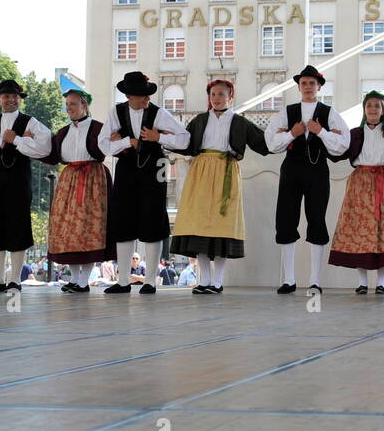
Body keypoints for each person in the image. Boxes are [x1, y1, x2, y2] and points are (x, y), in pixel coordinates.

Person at [170, 79, 269, 295]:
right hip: (201, 172)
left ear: (230, 97)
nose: (216, 98)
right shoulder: (200, 120)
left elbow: (263, 142)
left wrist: (288, 135)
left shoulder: (239, 122)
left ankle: (218, 281)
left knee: (221, 225)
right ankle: (204, 280)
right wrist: (161, 138)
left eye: (221, 94)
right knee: (199, 225)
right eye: (213, 94)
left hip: (226, 171)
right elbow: (185, 144)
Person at [266, 65, 350, 295]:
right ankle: (290, 279)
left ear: (319, 86)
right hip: (291, 169)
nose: (308, 87)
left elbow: (344, 142)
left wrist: (320, 131)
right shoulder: (288, 111)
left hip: (317, 170)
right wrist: (292, 133)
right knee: (286, 219)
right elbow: (271, 141)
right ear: (299, 86)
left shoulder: (329, 112)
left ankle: (315, 280)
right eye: (304, 83)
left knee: (316, 219)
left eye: (312, 83)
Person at [104, 71, 190, 295]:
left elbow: (184, 138)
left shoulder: (158, 113)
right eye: (142, 95)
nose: (147, 99)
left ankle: (150, 281)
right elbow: (103, 144)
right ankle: (123, 281)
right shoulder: (116, 112)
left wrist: (158, 137)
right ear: (130, 96)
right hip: (126, 169)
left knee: (153, 220)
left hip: (154, 170)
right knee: (123, 222)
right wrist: (127, 141)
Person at [0, 78, 53, 292]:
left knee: (18, 224)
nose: (10, 100)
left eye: (14, 96)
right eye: (6, 96)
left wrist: (18, 141)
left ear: (19, 99)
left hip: (18, 178)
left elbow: (45, 145)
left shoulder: (29, 121)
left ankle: (15, 278)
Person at [329, 90, 384, 294]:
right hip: (360, 182)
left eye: (377, 106)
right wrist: (333, 137)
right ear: (364, 110)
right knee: (359, 230)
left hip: (383, 182)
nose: (373, 109)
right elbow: (336, 153)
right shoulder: (354, 134)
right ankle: (362, 282)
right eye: (369, 106)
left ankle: (382, 282)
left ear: (383, 110)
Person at [42, 88, 111, 294]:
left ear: (84, 105)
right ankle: (74, 277)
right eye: (67, 104)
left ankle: (83, 280)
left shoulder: (99, 128)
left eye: (73, 103)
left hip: (92, 178)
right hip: (70, 177)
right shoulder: (63, 131)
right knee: (67, 229)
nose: (69, 108)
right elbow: (52, 155)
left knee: (89, 228)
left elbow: (108, 147)